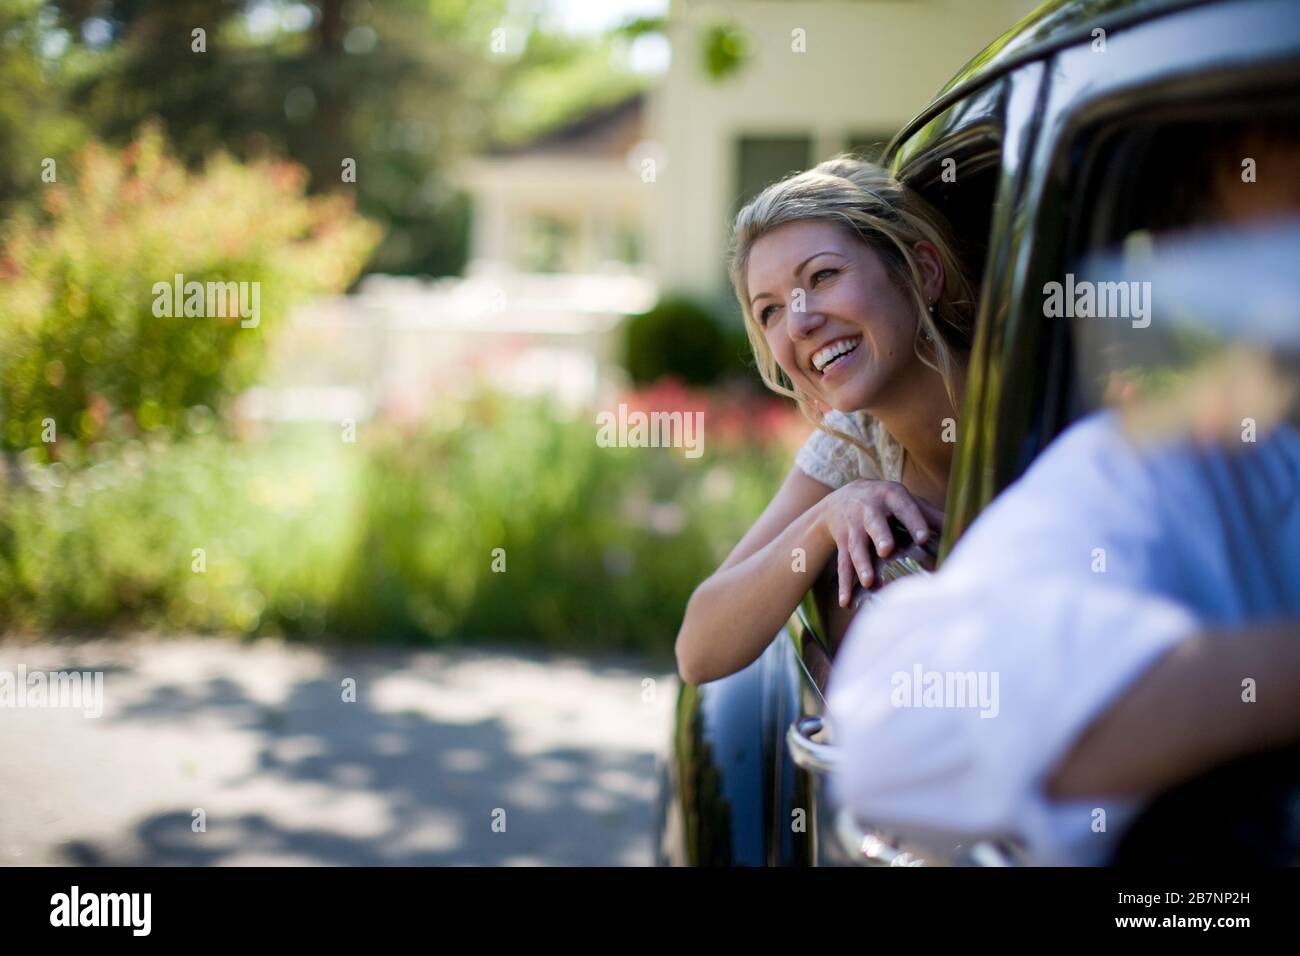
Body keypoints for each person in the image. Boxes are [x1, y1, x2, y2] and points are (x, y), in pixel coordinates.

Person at [674, 156, 979, 685]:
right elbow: (698, 648)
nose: (799, 323)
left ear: (922, 272)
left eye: (824, 276)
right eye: (769, 310)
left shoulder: (1033, 398)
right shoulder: (853, 443)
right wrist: (825, 519)